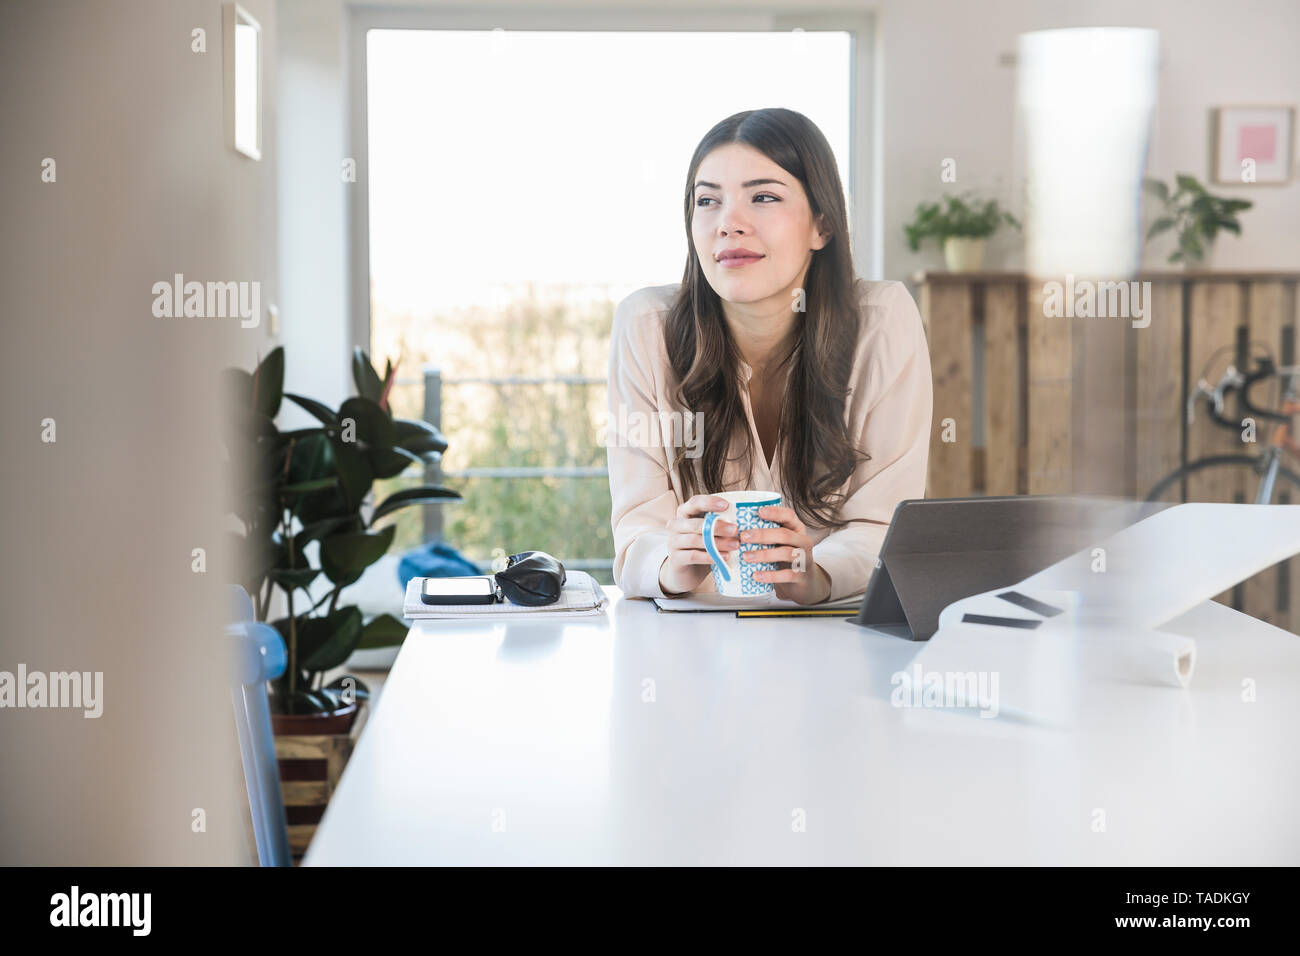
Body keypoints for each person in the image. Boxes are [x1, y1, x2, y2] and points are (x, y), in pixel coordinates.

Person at [605, 108, 933, 605]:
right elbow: (637, 535)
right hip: (690, 638)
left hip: (830, 631)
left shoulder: (882, 320)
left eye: (763, 197)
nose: (729, 225)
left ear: (821, 225)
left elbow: (880, 524)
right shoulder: (646, 326)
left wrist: (815, 574)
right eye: (707, 201)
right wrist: (674, 562)